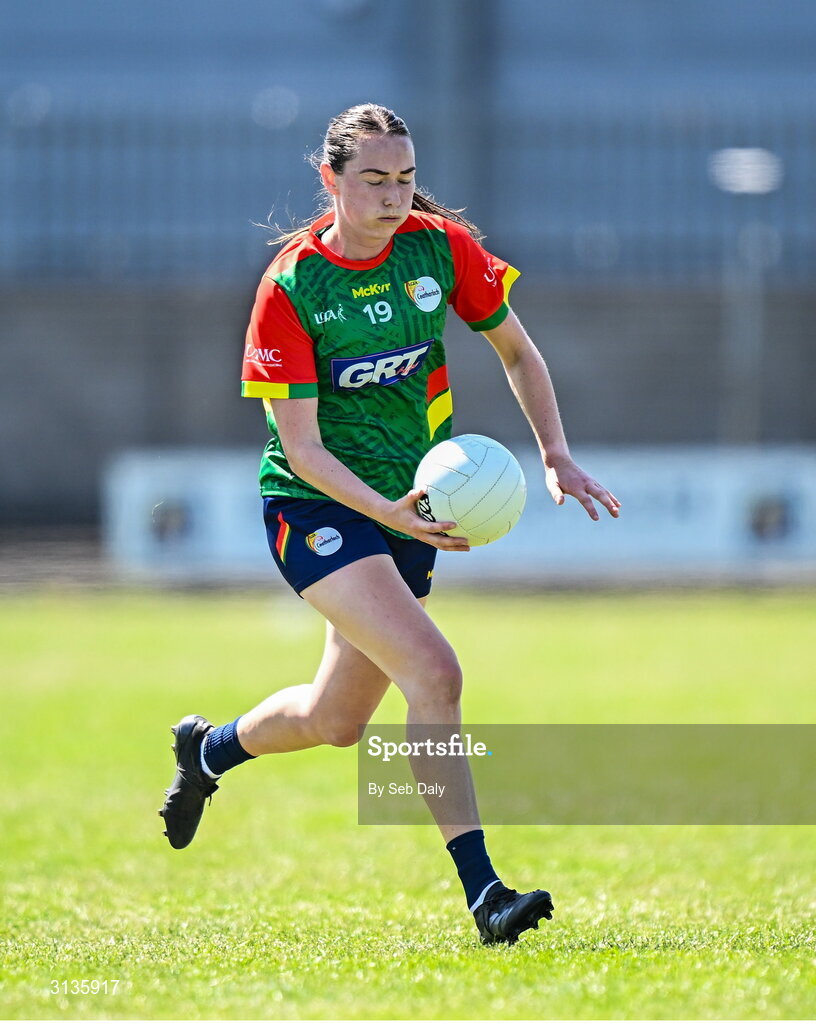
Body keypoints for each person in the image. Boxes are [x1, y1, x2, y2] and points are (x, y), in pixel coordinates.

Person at [158, 103, 620, 946]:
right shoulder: (292, 287)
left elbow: (517, 350)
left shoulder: (438, 250)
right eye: (373, 179)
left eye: (405, 178)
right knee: (435, 672)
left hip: (405, 515)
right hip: (315, 509)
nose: (394, 195)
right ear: (329, 178)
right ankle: (485, 895)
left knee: (337, 723)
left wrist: (553, 452)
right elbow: (299, 449)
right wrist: (386, 512)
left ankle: (210, 753)